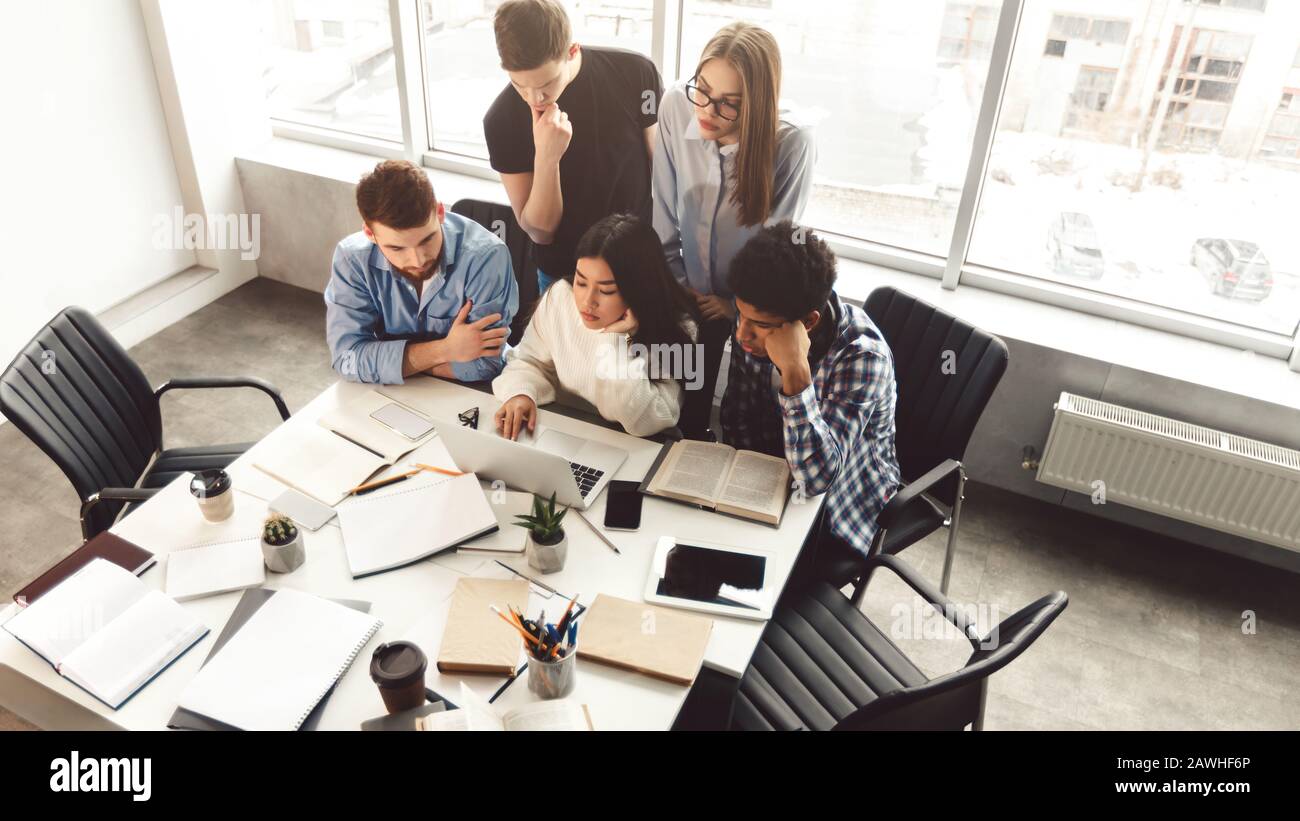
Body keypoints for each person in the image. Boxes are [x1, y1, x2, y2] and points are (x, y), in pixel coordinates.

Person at [653, 21, 816, 437]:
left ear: (757, 104)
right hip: (685, 288)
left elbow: (776, 246)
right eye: (702, 89)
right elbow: (663, 208)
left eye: (728, 103)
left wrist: (735, 307)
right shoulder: (675, 105)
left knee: (749, 422)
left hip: (748, 304)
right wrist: (677, 286)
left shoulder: (792, 142)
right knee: (677, 408)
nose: (706, 110)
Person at [719, 221, 900, 586]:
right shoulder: (753, 327)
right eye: (740, 315)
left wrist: (796, 374)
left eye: (758, 324)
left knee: (755, 594)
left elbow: (819, 479)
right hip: (772, 481)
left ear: (808, 322)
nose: (742, 335)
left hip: (839, 513)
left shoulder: (862, 358)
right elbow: (737, 417)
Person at [483, 0, 662, 295]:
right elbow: (541, 231)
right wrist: (547, 158)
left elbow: (663, 175)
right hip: (566, 276)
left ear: (572, 50)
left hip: (637, 262)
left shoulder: (637, 73)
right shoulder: (500, 120)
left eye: (546, 83)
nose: (534, 99)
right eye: (519, 85)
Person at [492, 214, 699, 439]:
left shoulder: (678, 326)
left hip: (636, 447)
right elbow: (528, 361)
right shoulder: (562, 297)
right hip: (565, 436)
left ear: (638, 289)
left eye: (606, 290)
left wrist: (617, 340)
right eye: (581, 282)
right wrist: (522, 392)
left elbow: (645, 422)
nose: (587, 301)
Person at [325, 160, 518, 384]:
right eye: (397, 248)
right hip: (391, 395)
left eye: (427, 239)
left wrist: (389, 363)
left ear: (439, 212)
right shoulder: (352, 260)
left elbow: (484, 365)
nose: (418, 260)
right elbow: (347, 359)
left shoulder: (487, 257)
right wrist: (445, 350)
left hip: (469, 392)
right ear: (370, 233)